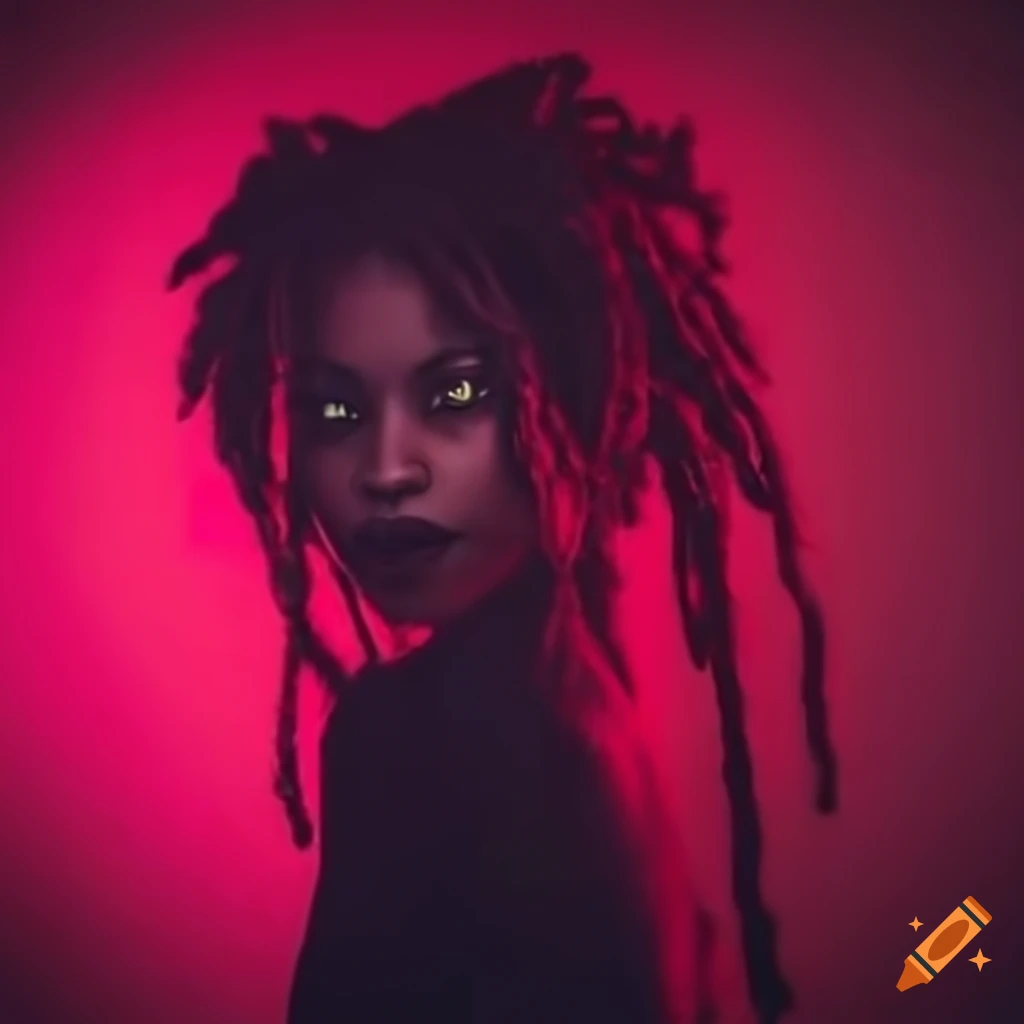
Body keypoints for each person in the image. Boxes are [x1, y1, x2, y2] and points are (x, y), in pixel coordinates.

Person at [167, 53, 838, 1023]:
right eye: (332, 406)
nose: (386, 467)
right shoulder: (588, 706)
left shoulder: (414, 741)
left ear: (576, 397)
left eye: (457, 393)